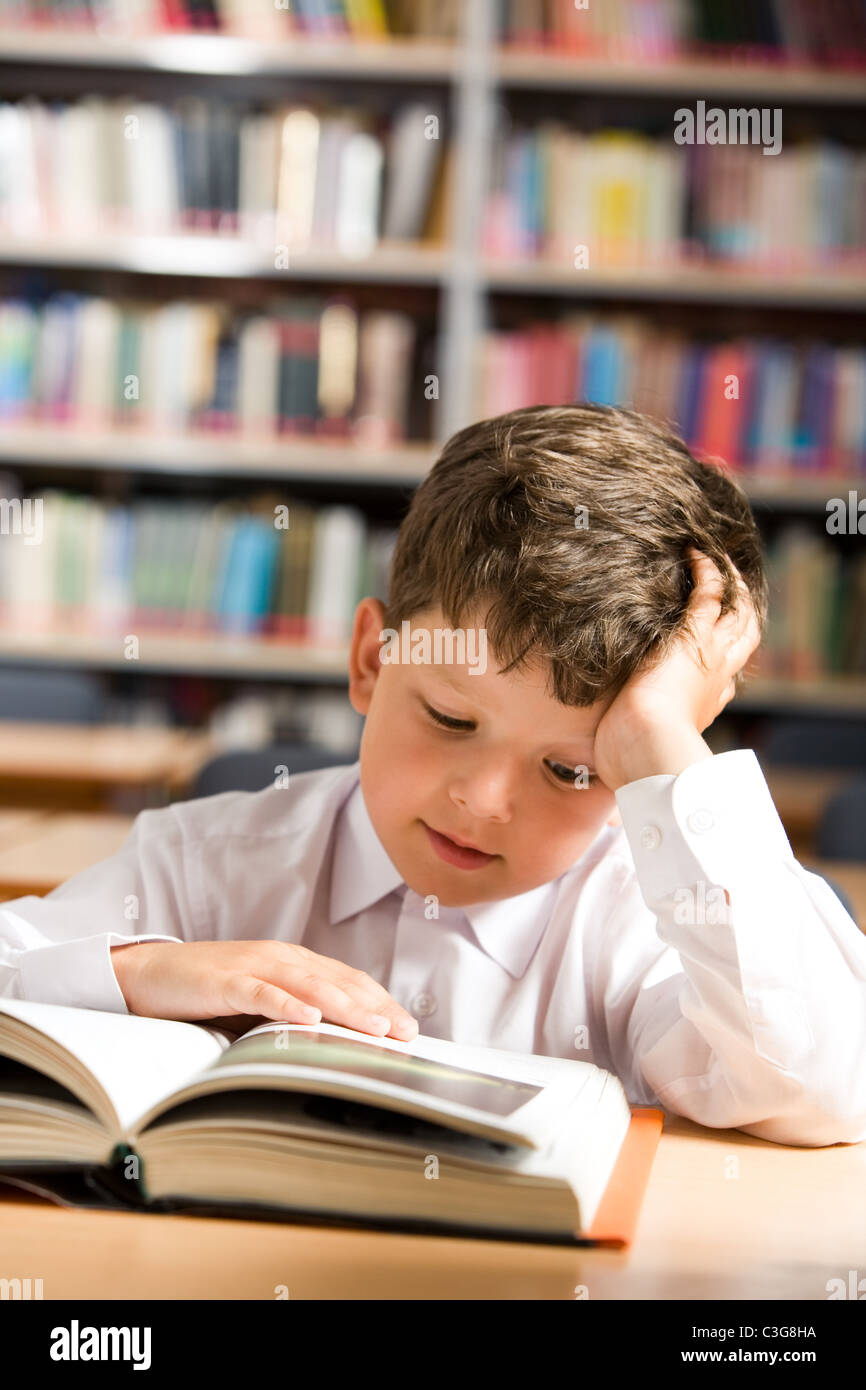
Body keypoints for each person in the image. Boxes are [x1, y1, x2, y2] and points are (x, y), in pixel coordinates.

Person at [2, 403, 864, 1146]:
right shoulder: (203, 860)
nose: (483, 802)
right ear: (373, 659)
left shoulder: (646, 920)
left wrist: (661, 744)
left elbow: (826, 1085)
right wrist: (136, 973)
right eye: (451, 719)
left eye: (571, 770)